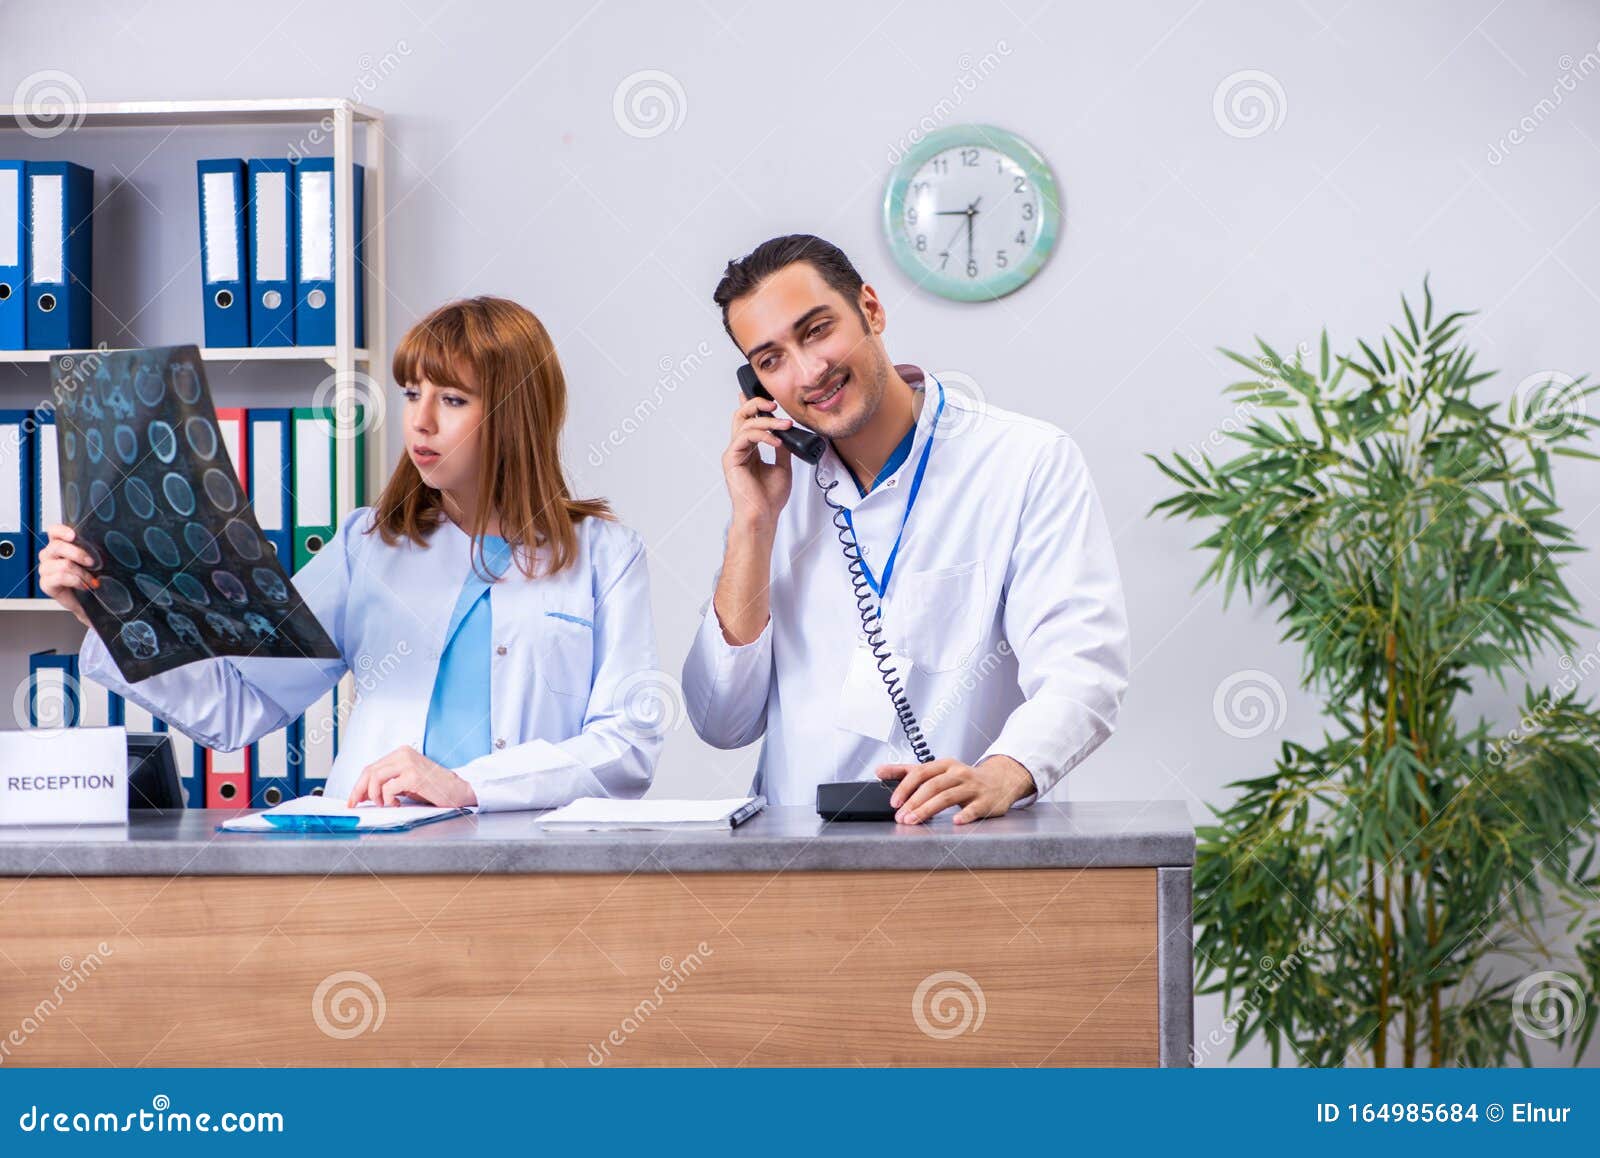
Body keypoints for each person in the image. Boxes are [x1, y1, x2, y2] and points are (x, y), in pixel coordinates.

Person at [38, 296, 661, 811]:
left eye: (452, 399)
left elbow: (627, 745)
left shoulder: (605, 556)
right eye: (412, 393)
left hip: (529, 869)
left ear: (516, 413)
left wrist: (472, 787)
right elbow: (241, 705)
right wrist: (104, 610)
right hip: (369, 855)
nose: (419, 422)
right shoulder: (368, 545)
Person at [682, 235, 1129, 824]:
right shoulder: (771, 493)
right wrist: (754, 524)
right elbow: (722, 721)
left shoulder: (1026, 459)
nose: (809, 371)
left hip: (968, 854)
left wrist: (1005, 770)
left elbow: (1083, 669)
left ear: (871, 307)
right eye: (771, 360)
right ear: (757, 385)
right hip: (794, 865)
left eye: (817, 330)